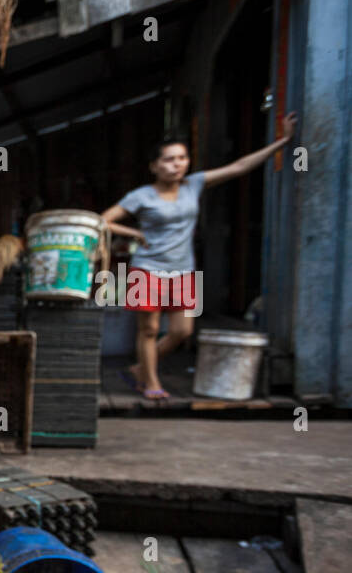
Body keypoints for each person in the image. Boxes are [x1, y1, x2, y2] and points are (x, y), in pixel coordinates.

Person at [101, 112, 297, 400]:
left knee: (182, 331)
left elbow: (238, 167)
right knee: (149, 330)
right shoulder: (141, 196)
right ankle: (151, 383)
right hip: (147, 268)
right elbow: (104, 220)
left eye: (181, 158)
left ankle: (139, 368)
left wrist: (283, 142)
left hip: (183, 270)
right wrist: (133, 234)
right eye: (169, 159)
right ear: (154, 166)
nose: (177, 164)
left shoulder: (194, 184)